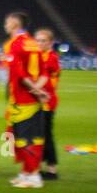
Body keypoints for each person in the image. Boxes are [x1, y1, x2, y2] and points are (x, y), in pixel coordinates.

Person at [3, 11, 48, 189]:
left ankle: (34, 176)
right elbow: (44, 72)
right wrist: (39, 90)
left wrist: (34, 89)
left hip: (22, 100)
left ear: (14, 23)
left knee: (25, 139)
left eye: (7, 21)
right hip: (32, 99)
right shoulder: (34, 44)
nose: (5, 25)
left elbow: (20, 74)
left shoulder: (15, 44)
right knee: (25, 138)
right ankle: (26, 173)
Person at [35, 28, 61, 181]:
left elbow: (50, 82)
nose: (39, 43)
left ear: (50, 43)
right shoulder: (38, 56)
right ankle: (40, 168)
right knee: (39, 136)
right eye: (37, 40)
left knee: (46, 136)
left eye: (43, 40)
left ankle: (52, 169)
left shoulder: (51, 57)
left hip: (46, 101)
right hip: (38, 101)